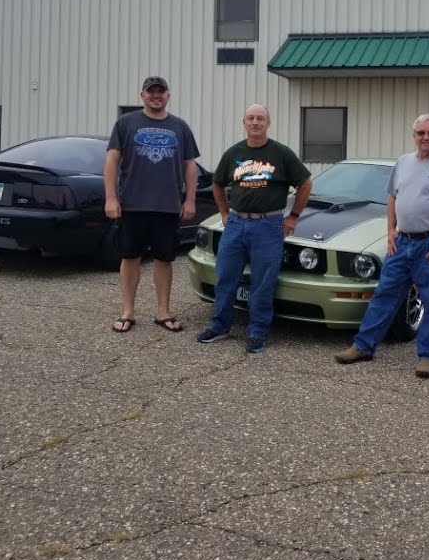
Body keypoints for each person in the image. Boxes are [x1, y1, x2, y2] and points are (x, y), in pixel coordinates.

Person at [334, 114, 429, 377]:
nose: (426, 137)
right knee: (384, 296)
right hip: (402, 243)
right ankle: (363, 346)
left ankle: (427, 357)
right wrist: (390, 231)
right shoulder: (404, 162)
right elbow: (393, 198)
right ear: (414, 136)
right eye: (421, 133)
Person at [196, 104, 312, 353]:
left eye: (260, 118)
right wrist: (224, 213)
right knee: (225, 276)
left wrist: (293, 217)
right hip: (236, 223)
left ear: (268, 123)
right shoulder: (233, 153)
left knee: (263, 281)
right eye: (251, 118)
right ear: (244, 122)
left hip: (268, 225)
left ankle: (257, 331)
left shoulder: (281, 153)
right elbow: (217, 183)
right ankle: (219, 326)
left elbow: (305, 183)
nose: (255, 122)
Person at [104, 75, 201, 334]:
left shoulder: (180, 127)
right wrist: (111, 198)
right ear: (142, 95)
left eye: (161, 92)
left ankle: (163, 312)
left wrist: (190, 199)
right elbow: (111, 161)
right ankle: (128, 312)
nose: (156, 96)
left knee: (164, 259)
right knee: (130, 258)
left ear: (168, 95)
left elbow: (190, 165)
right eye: (151, 92)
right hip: (132, 206)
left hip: (167, 207)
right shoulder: (125, 124)